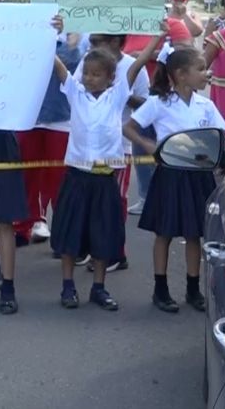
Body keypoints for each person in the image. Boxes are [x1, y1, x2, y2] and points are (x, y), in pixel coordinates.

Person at [124, 27, 225, 313]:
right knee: (165, 232)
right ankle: (161, 289)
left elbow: (220, 135)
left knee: (194, 233)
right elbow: (129, 127)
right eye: (201, 68)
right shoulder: (159, 103)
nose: (206, 73)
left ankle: (193, 289)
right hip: (170, 174)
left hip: (198, 175)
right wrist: (149, 144)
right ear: (181, 75)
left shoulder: (205, 104)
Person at [49, 46, 131, 312]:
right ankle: (68, 285)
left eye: (97, 74)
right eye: (87, 73)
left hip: (105, 177)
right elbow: (61, 70)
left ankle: (99, 287)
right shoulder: (77, 95)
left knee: (103, 233)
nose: (89, 78)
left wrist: (159, 37)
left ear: (111, 78)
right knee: (71, 233)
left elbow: (139, 64)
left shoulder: (116, 98)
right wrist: (47, 40)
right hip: (77, 175)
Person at [79, 34, 150, 269]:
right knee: (91, 201)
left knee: (114, 200)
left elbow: (147, 105)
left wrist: (120, 96)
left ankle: (116, 253)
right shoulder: (87, 62)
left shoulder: (132, 67)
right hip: (89, 148)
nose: (94, 47)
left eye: (100, 41)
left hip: (119, 147)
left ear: (116, 42)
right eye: (93, 42)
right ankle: (94, 248)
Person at [13, 27, 81, 246]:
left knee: (59, 180)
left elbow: (72, 62)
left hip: (59, 120)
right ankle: (23, 227)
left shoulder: (70, 41)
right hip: (28, 118)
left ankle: (62, 233)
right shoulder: (23, 43)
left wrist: (63, 39)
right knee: (26, 176)